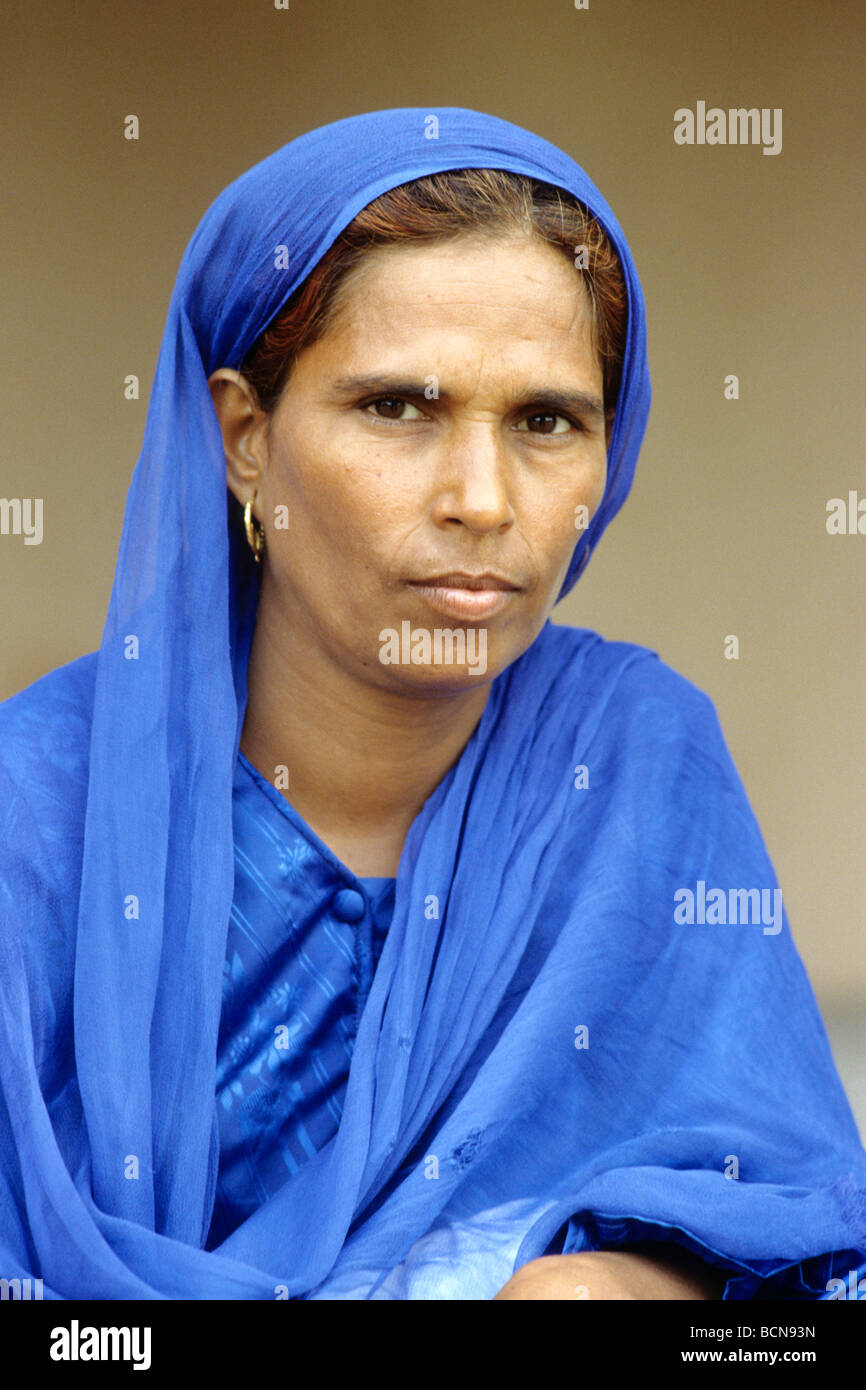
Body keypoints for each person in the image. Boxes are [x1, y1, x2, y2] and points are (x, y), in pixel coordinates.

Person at [0, 107, 863, 1302]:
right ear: (243, 439)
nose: (480, 496)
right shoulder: (40, 811)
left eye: (546, 420)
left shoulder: (626, 759)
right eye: (399, 407)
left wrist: (616, 1286)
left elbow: (797, 1249)